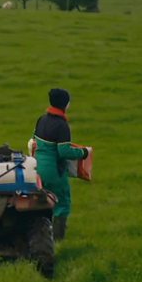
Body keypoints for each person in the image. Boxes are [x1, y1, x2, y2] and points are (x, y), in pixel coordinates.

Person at [32, 88, 89, 241]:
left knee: (43, 202)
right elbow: (63, 151)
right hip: (54, 171)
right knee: (62, 203)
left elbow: (34, 142)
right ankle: (57, 239)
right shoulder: (62, 125)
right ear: (65, 104)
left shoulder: (41, 119)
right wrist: (83, 153)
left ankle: (41, 233)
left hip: (37, 168)